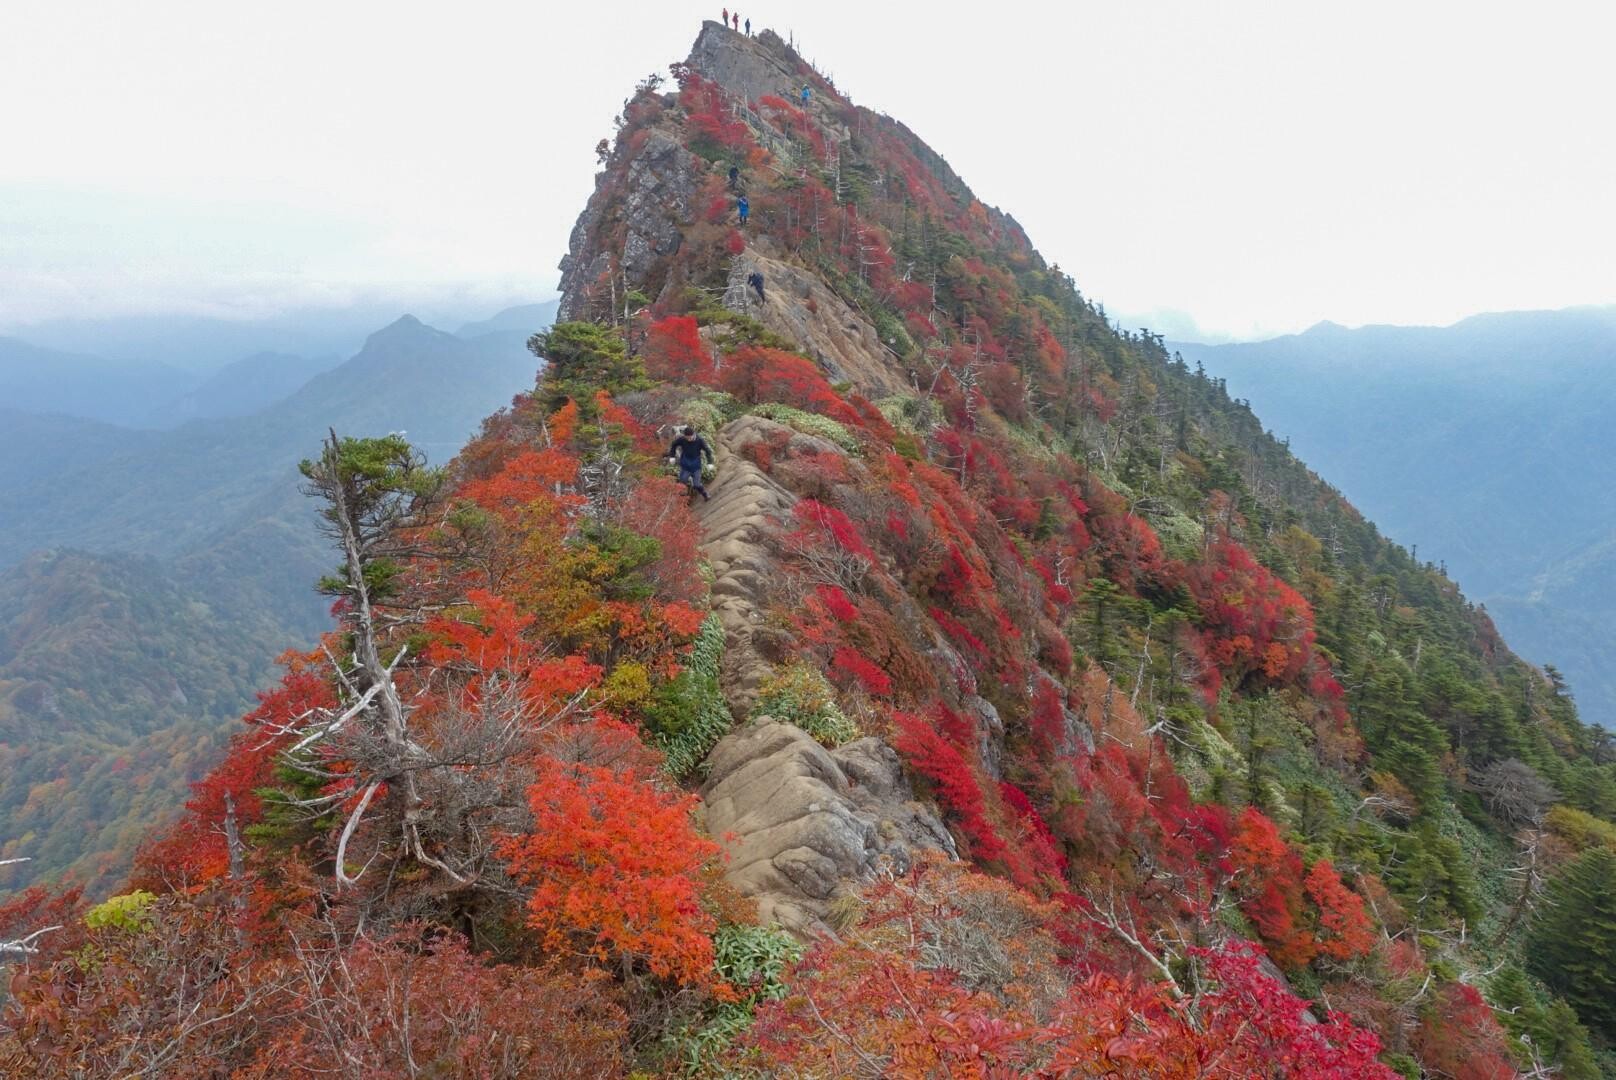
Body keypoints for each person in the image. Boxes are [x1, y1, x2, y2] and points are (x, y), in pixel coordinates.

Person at [668, 425, 714, 501]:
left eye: (690, 437)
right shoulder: (682, 439)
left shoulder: (700, 440)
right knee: (682, 483)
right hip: (685, 465)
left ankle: (705, 494)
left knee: (697, 484)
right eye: (687, 437)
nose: (689, 439)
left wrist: (710, 462)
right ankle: (684, 501)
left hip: (696, 466)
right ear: (685, 436)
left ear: (694, 434)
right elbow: (674, 444)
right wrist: (672, 456)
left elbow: (707, 450)